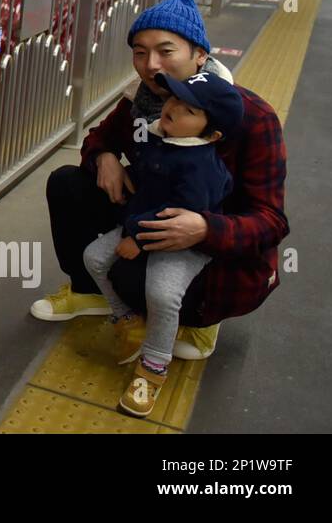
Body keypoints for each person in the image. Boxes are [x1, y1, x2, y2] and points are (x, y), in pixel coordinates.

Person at [32, 0, 288, 364]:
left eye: (166, 51)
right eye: (139, 52)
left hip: (213, 249)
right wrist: (104, 157)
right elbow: (99, 137)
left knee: (138, 281)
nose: (150, 65)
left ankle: (202, 320)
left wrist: (205, 228)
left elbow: (272, 221)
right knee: (68, 182)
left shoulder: (252, 117)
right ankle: (90, 293)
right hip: (149, 220)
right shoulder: (140, 101)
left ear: (200, 55)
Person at [82, 70, 244, 418]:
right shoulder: (162, 137)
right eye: (173, 98)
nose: (171, 107)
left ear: (212, 133)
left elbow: (182, 215)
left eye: (188, 109)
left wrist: (136, 239)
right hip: (144, 224)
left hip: (182, 239)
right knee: (93, 257)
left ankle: (153, 367)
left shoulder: (200, 166)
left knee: (162, 293)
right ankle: (129, 321)